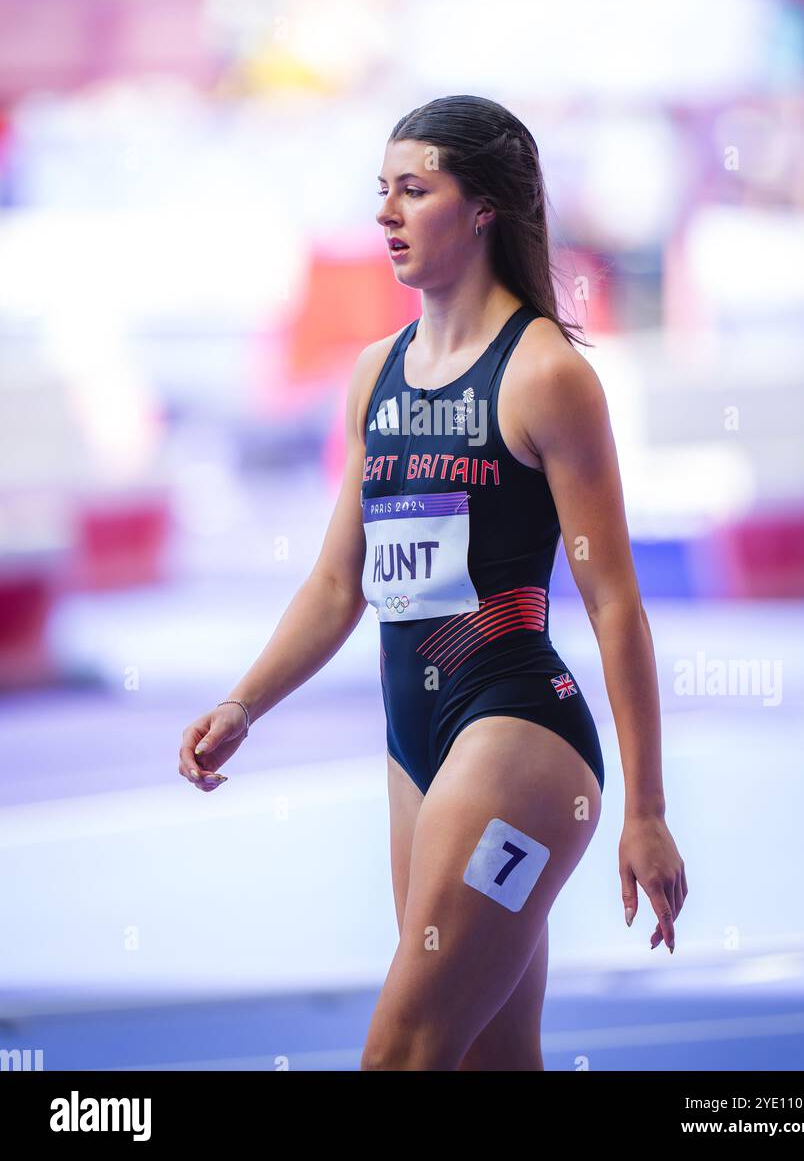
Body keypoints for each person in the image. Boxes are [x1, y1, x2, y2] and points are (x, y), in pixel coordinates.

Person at [178, 94, 687, 1071]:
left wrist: (646, 808)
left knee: (400, 1053)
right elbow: (338, 583)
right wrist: (244, 702)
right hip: (414, 746)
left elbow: (612, 599)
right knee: (488, 1060)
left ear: (485, 208)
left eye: (414, 190)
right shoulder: (377, 373)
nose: (385, 214)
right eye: (382, 192)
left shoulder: (543, 375)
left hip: (517, 734)